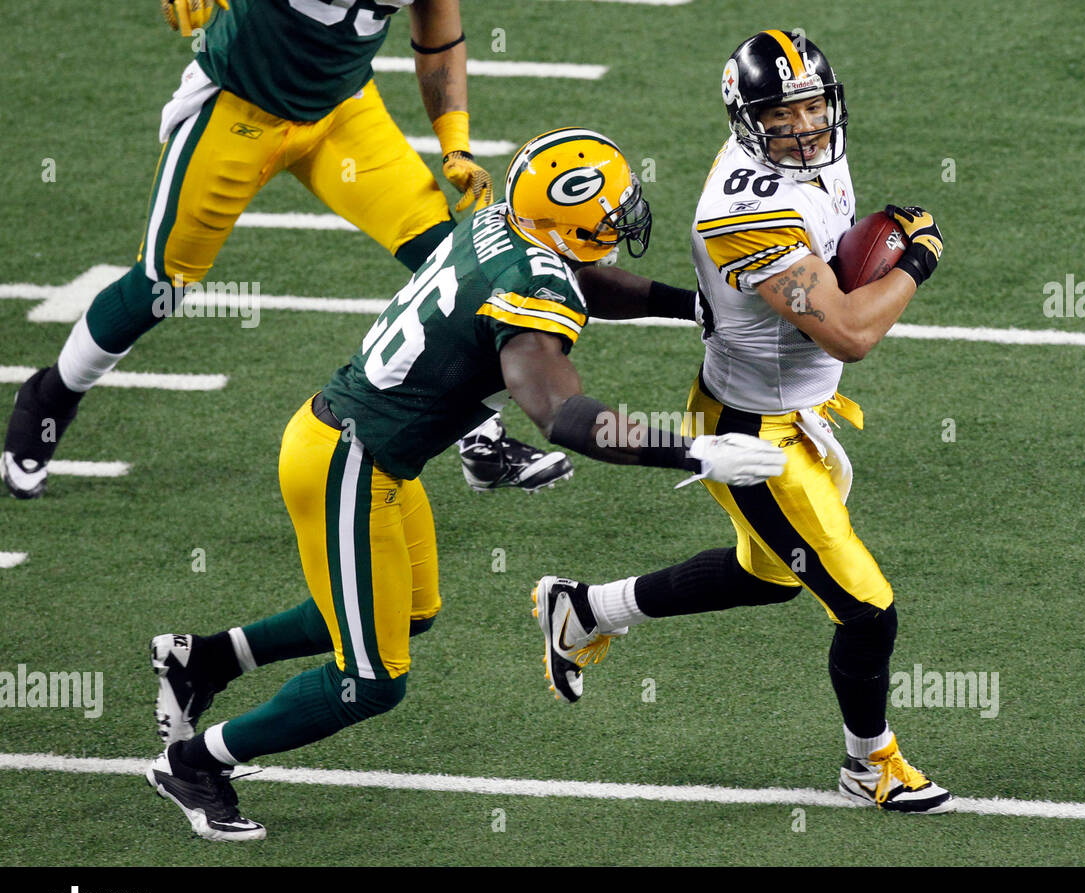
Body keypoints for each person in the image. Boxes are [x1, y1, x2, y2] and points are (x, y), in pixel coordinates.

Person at [144, 127, 787, 841]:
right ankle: (195, 763)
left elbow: (578, 277)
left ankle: (205, 658)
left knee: (409, 615)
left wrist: (686, 306)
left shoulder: (507, 225)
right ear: (563, 223)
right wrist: (693, 452)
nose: (622, 221)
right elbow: (561, 414)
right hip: (347, 465)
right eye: (608, 215)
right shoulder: (533, 285)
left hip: (365, 454)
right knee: (371, 681)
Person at [1, 0, 694, 500]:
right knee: (163, 283)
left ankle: (480, 443)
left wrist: (453, 142)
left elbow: (437, 33)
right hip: (237, 109)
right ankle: (50, 395)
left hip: (340, 111)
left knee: (459, 262)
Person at [533, 31, 953, 813]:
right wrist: (916, 262)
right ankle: (873, 765)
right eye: (783, 112)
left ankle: (586, 610)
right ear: (747, 119)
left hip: (794, 409)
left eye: (813, 104)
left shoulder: (815, 159)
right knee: (866, 607)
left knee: (769, 575)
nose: (804, 125)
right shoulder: (747, 212)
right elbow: (850, 334)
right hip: (752, 434)